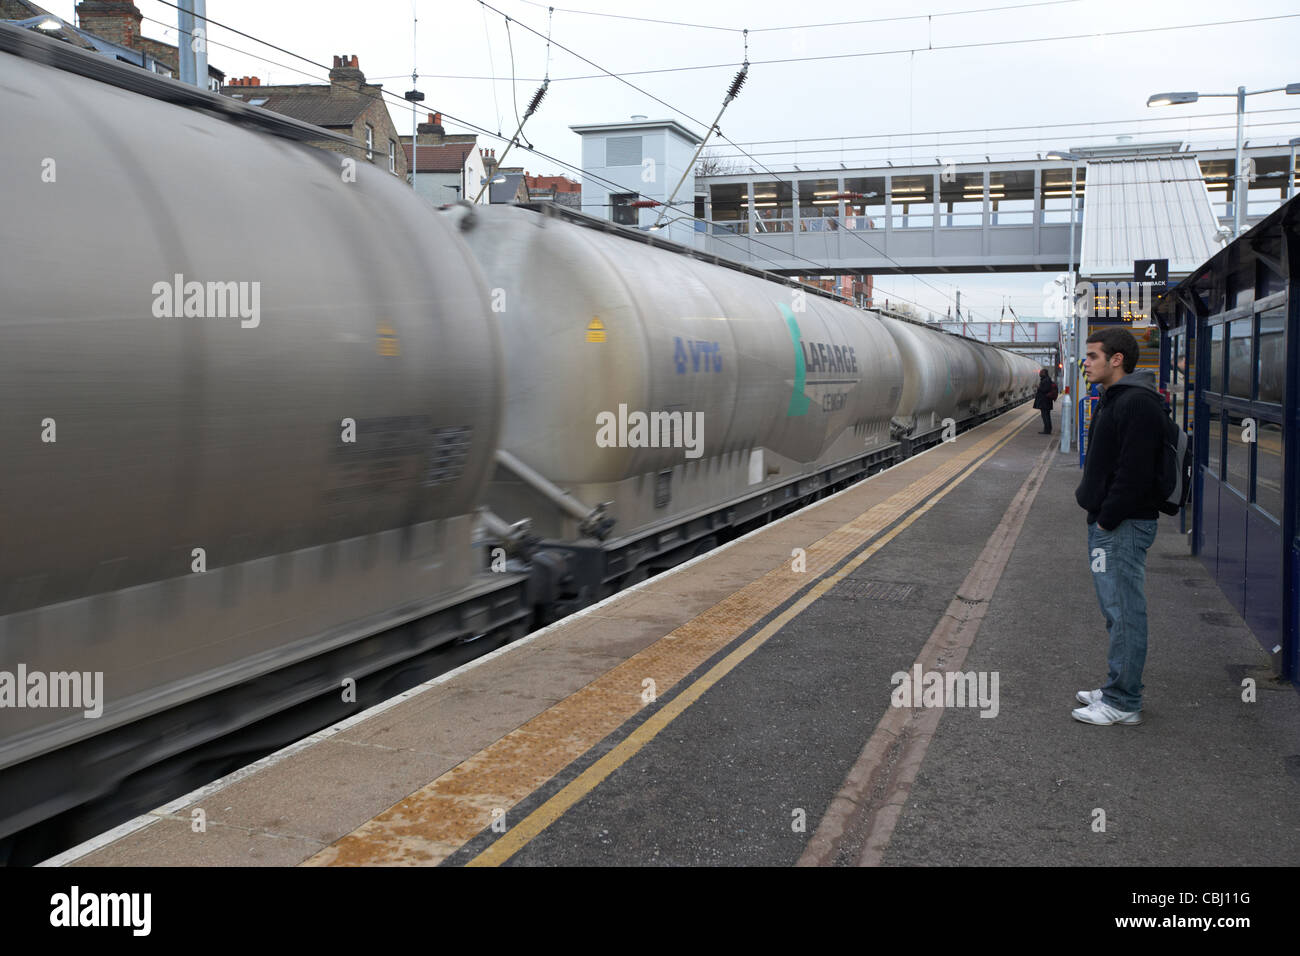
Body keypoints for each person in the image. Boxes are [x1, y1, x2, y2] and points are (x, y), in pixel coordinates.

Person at [1072, 328, 1166, 726]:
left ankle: (1123, 701)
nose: (1085, 363)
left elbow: (1135, 473)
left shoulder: (1138, 404)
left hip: (1122, 527)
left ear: (1117, 360)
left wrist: (1108, 517)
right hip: (1111, 524)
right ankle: (1117, 686)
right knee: (1116, 610)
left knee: (1125, 611)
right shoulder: (1119, 399)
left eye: (1092, 356)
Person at [1032, 369, 1056, 434]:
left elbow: (1045, 389)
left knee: (1045, 416)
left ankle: (1047, 430)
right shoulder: (1046, 379)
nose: (1039, 373)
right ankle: (1047, 429)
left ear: (1044, 373)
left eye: (1041, 372)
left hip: (1045, 402)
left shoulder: (1046, 380)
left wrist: (1038, 387)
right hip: (1045, 402)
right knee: (1046, 416)